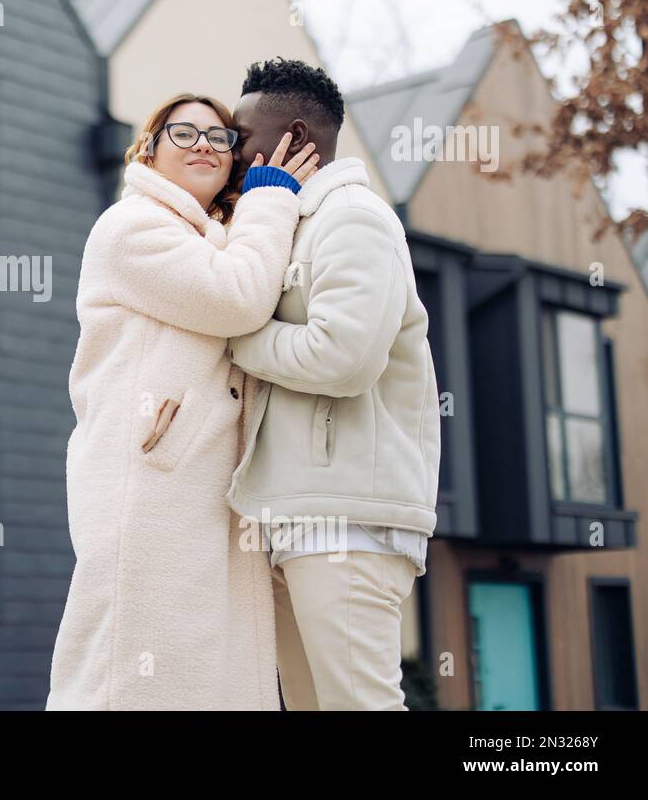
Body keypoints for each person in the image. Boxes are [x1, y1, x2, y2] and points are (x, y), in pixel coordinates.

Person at [46, 92, 318, 710]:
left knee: (204, 669)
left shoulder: (212, 235)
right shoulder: (131, 227)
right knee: (128, 665)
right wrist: (271, 197)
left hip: (205, 483)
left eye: (220, 138)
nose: (204, 144)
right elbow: (239, 296)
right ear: (150, 148)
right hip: (145, 479)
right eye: (184, 133)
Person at [226, 58, 441, 710]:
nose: (232, 151)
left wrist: (237, 337)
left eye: (242, 135)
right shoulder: (293, 223)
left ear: (294, 136)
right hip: (296, 517)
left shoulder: (353, 219)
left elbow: (344, 359)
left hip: (349, 523)